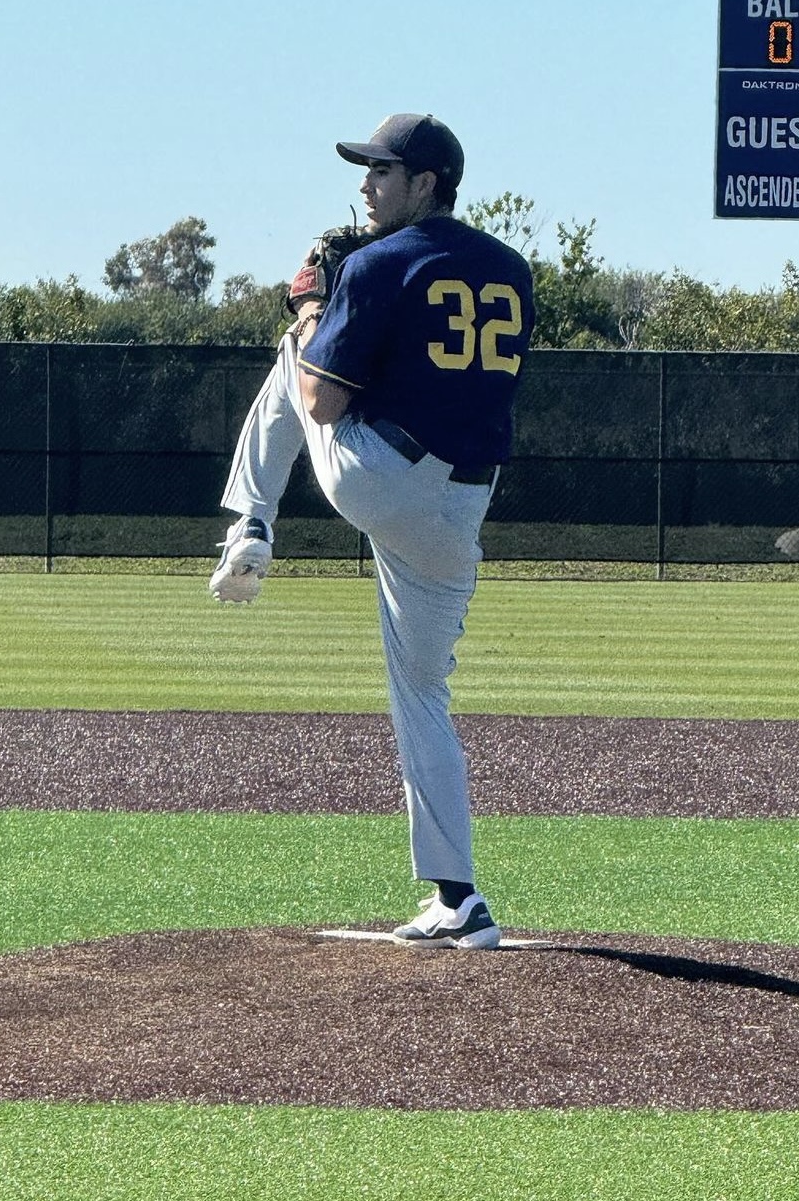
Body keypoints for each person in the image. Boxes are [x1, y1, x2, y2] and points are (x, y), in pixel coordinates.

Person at [209, 113, 535, 950]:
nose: (365, 184)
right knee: (422, 693)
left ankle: (250, 521)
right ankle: (459, 899)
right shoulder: (512, 269)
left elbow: (322, 401)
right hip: (462, 507)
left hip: (382, 478)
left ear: (426, 182)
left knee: (295, 354)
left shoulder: (383, 262)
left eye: (382, 170)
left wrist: (317, 303)